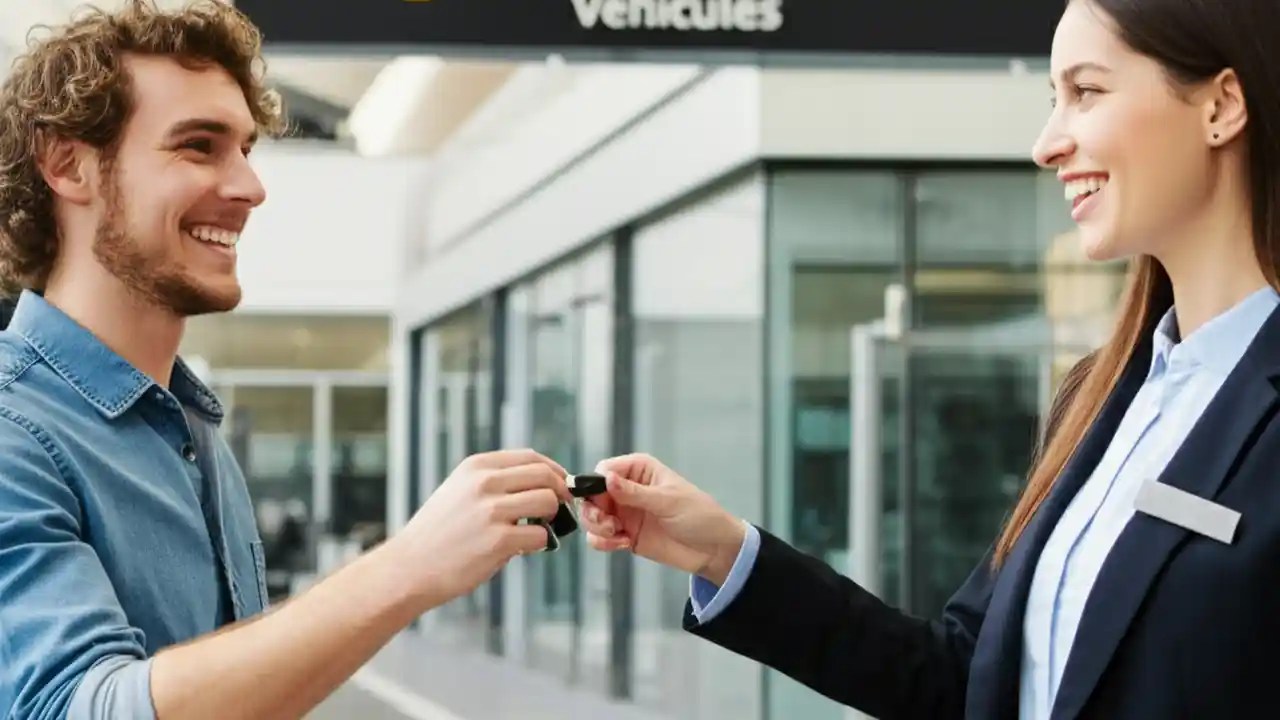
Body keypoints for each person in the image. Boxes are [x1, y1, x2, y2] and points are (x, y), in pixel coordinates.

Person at [582, 1, 1280, 718]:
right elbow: (964, 677)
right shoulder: (1098, 397)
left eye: (1087, 92)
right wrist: (724, 553)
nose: (1047, 145)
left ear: (1221, 106)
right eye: (1052, 100)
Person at [0, 2, 571, 718]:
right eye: (199, 145)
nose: (250, 187)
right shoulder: (14, 430)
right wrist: (407, 568)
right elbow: (80, 707)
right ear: (66, 164)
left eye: (246, 148)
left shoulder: (191, 430)